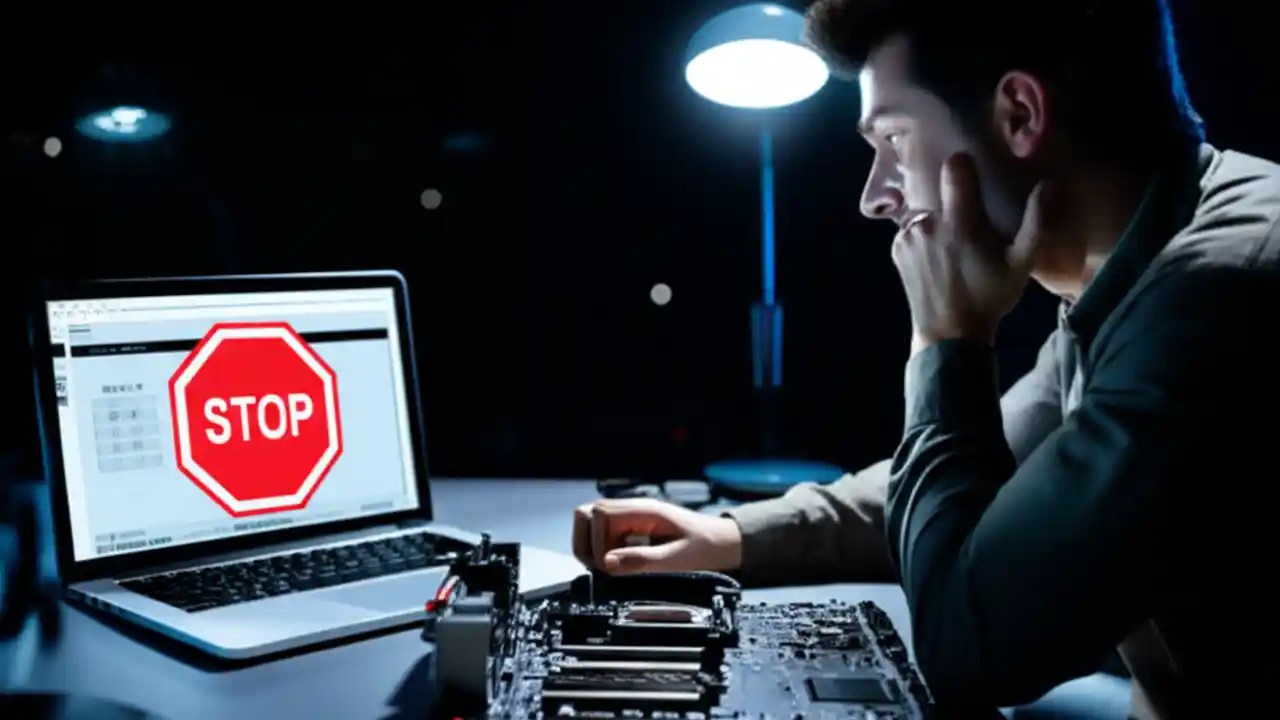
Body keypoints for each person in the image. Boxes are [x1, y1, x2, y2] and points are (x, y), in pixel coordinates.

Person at [572, 1, 1280, 718]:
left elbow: (970, 652)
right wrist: (730, 537)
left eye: (894, 139)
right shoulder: (1141, 267)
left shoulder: (1216, 296)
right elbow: (993, 468)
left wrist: (947, 338)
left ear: (1020, 115)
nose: (874, 197)